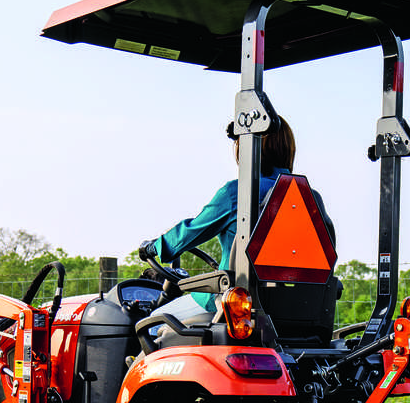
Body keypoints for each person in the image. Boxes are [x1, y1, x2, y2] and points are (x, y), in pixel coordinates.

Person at [139, 116, 333, 323]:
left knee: (154, 320)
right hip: (294, 307)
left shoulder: (238, 193)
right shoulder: (310, 199)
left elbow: (189, 233)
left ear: (250, 148)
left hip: (234, 300)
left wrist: (153, 247)